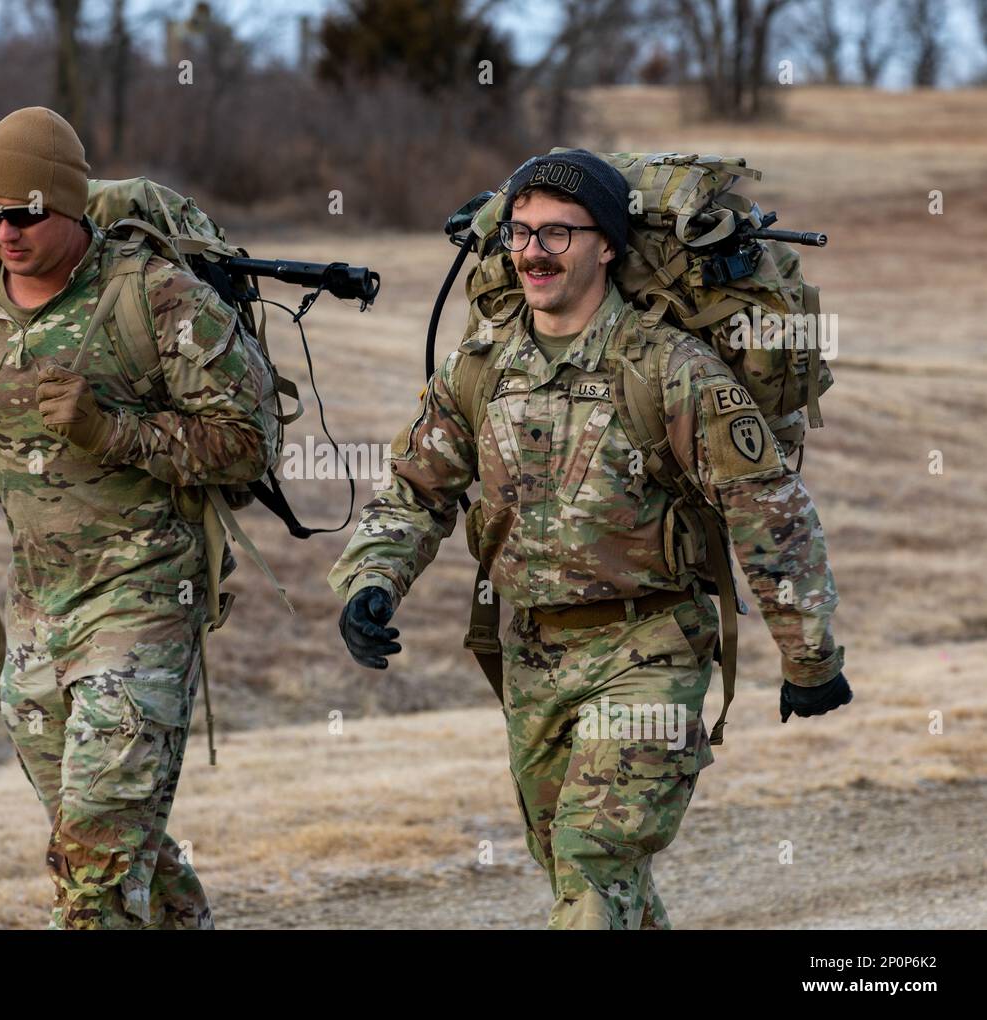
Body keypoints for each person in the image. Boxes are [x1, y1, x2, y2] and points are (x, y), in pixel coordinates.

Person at [328, 149, 851, 929]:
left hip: (652, 648)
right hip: (535, 658)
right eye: (520, 232)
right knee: (589, 882)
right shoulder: (478, 368)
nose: (534, 251)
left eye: (558, 233)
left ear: (606, 243)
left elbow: (766, 508)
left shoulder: (671, 369)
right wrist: (373, 578)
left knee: (591, 861)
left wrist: (808, 655)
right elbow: (417, 487)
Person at [0, 106, 276, 929]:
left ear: (69, 205)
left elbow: (249, 446)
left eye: (24, 214)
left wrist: (113, 430)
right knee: (112, 843)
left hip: (145, 600)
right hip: (38, 609)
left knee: (92, 866)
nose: (3, 233)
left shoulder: (156, 300)